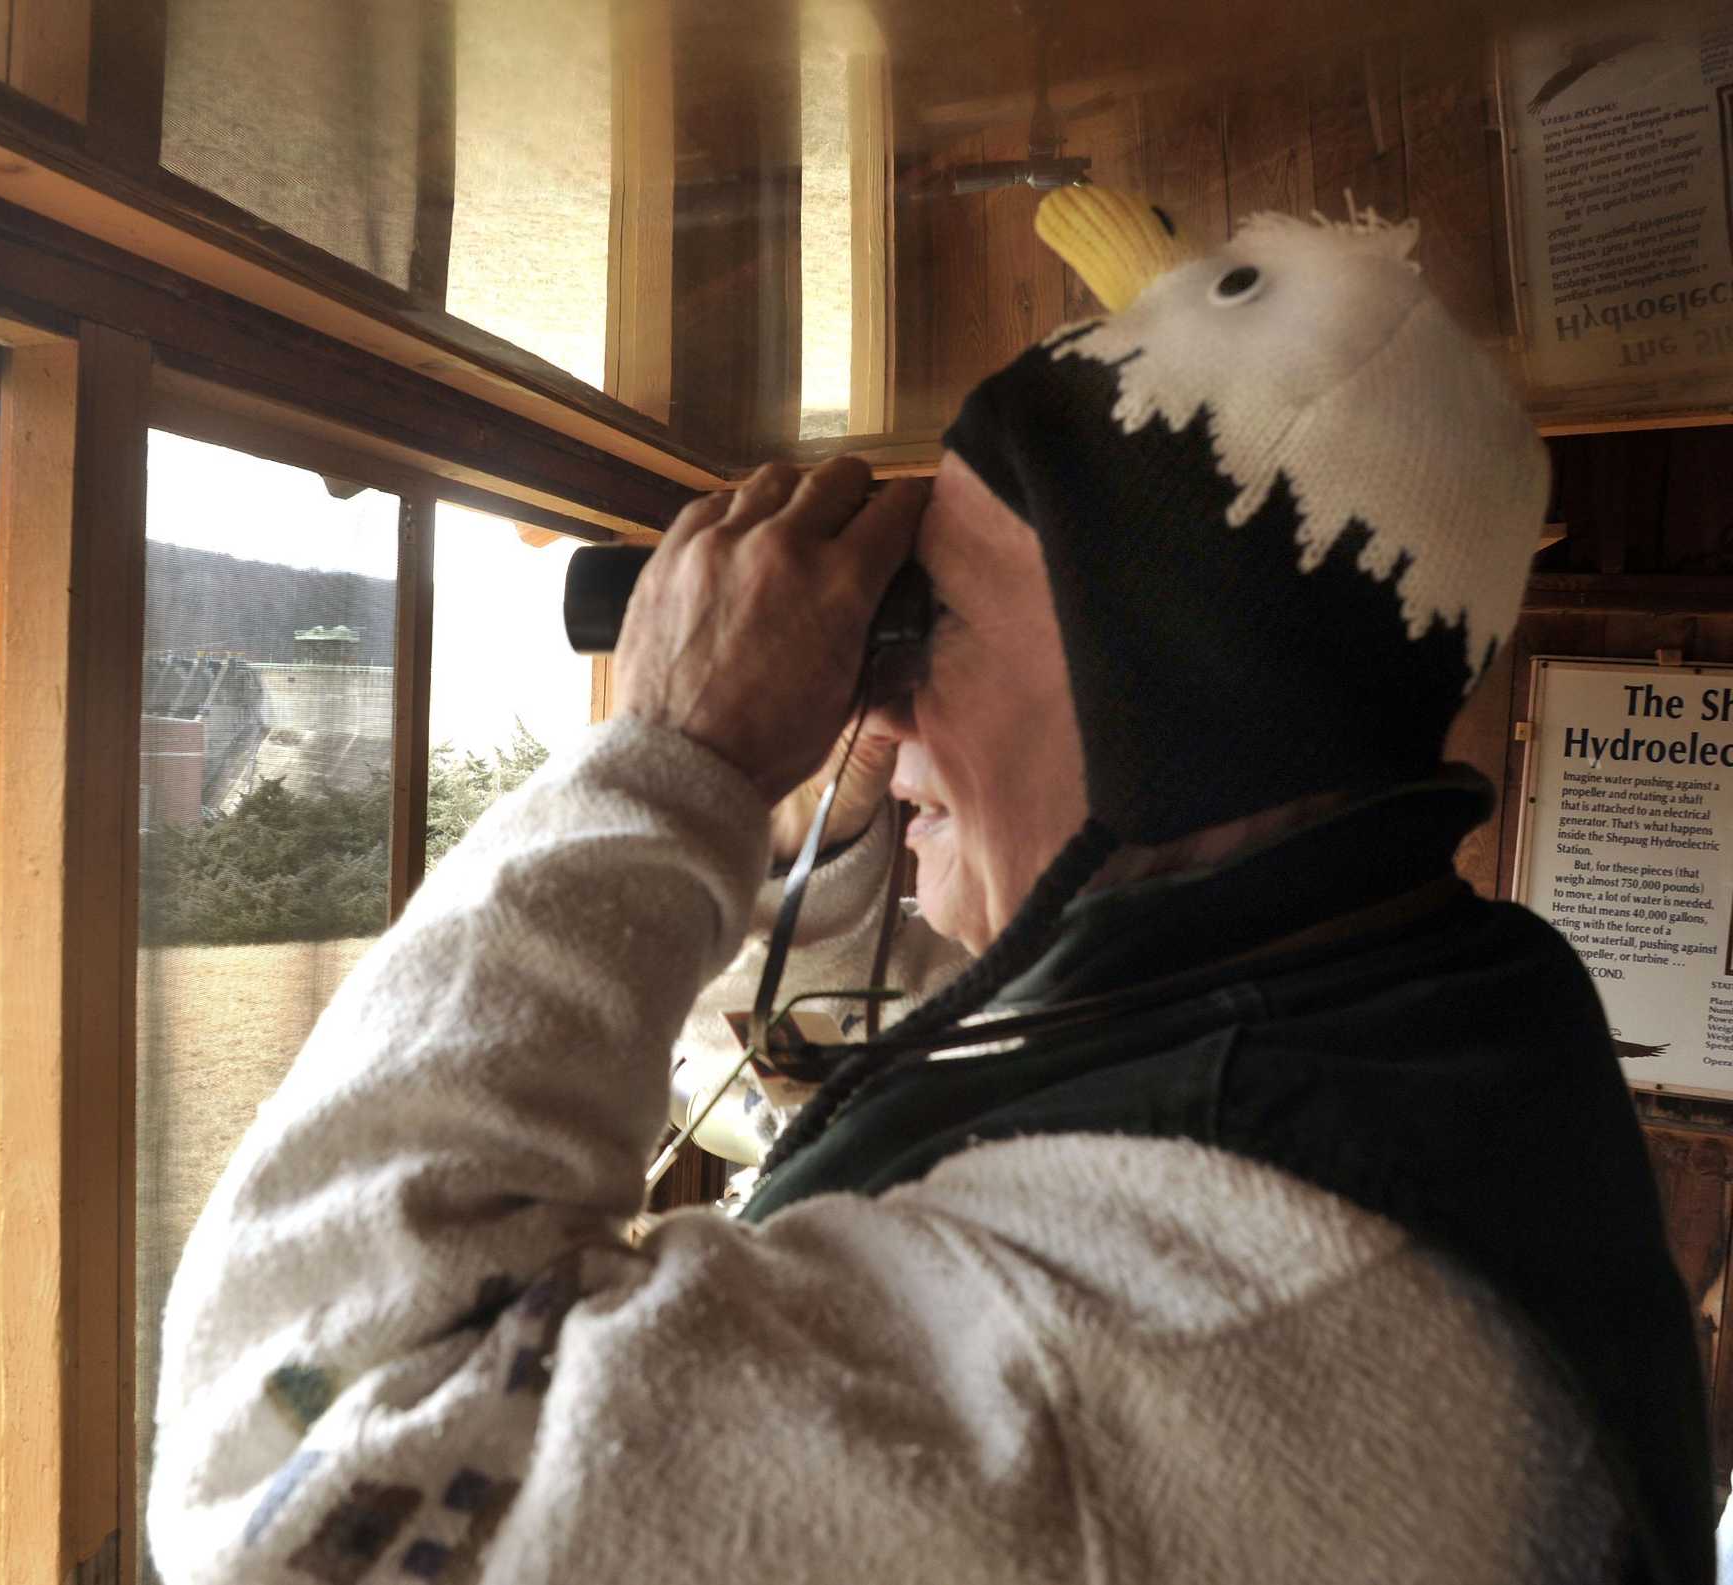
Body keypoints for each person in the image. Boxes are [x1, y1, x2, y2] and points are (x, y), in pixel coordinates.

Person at [147, 187, 1711, 1584]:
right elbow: (976, 1070)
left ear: (1164, 697)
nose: (870, 708)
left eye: (918, 628)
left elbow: (277, 1481)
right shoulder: (1429, 1012)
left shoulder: (1139, 1351)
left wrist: (676, 754)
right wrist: (810, 842)